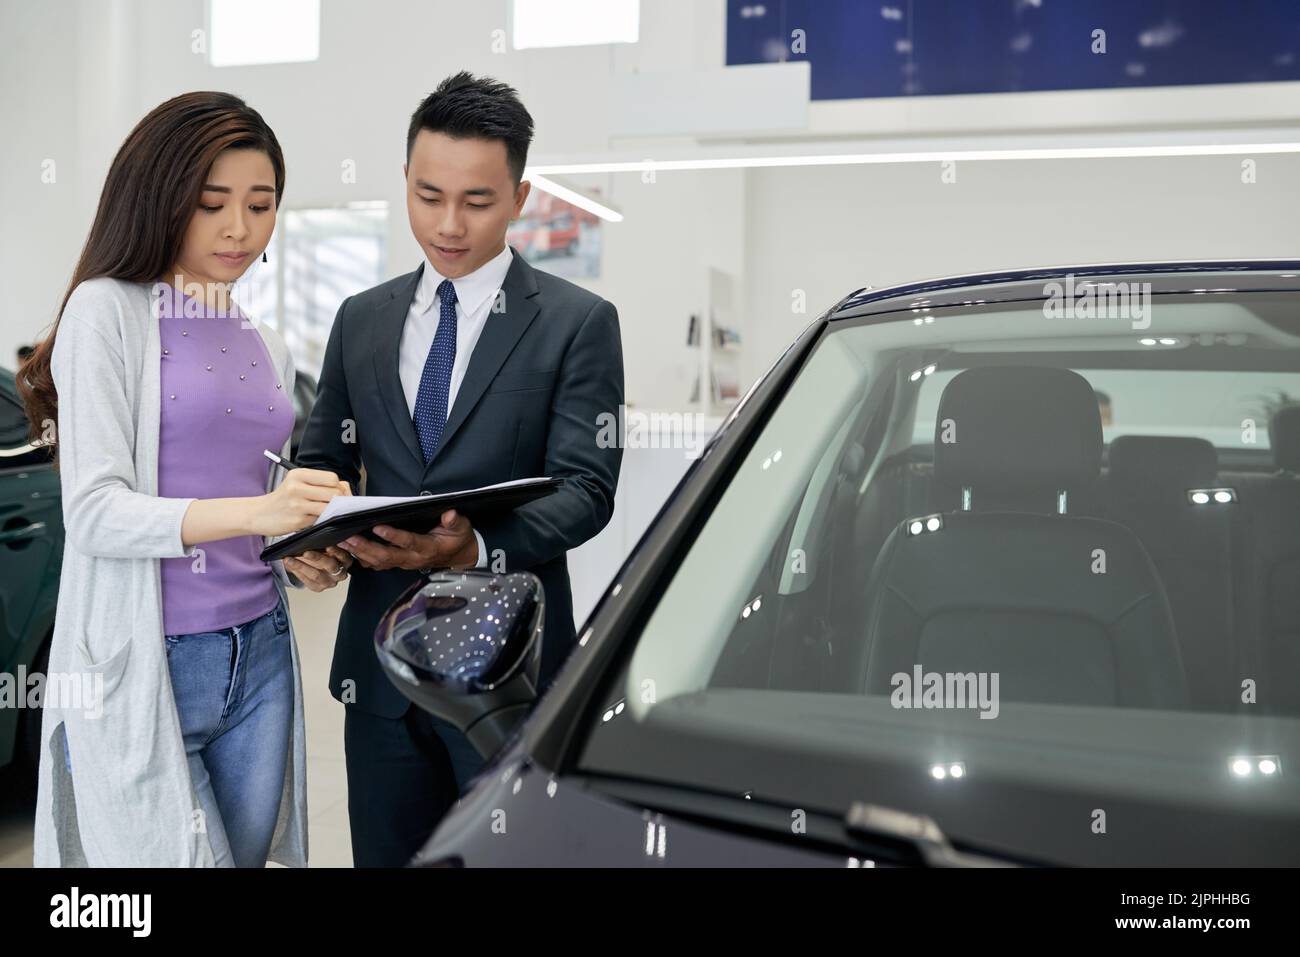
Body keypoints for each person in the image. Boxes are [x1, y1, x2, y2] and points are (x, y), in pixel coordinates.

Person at [295, 71, 625, 867]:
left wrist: (471, 549)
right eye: (426, 194)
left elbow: (588, 489)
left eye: (477, 201)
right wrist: (316, 536)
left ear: (517, 196)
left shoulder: (578, 323)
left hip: (508, 672)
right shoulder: (361, 318)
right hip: (377, 676)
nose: (447, 224)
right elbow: (322, 459)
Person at [19, 91, 353, 867]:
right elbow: (97, 512)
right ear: (162, 197)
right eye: (212, 203)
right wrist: (260, 510)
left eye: (261, 204)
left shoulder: (266, 342)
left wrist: (303, 548)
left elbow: (256, 512)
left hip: (261, 652)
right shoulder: (107, 313)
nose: (240, 228)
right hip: (150, 660)